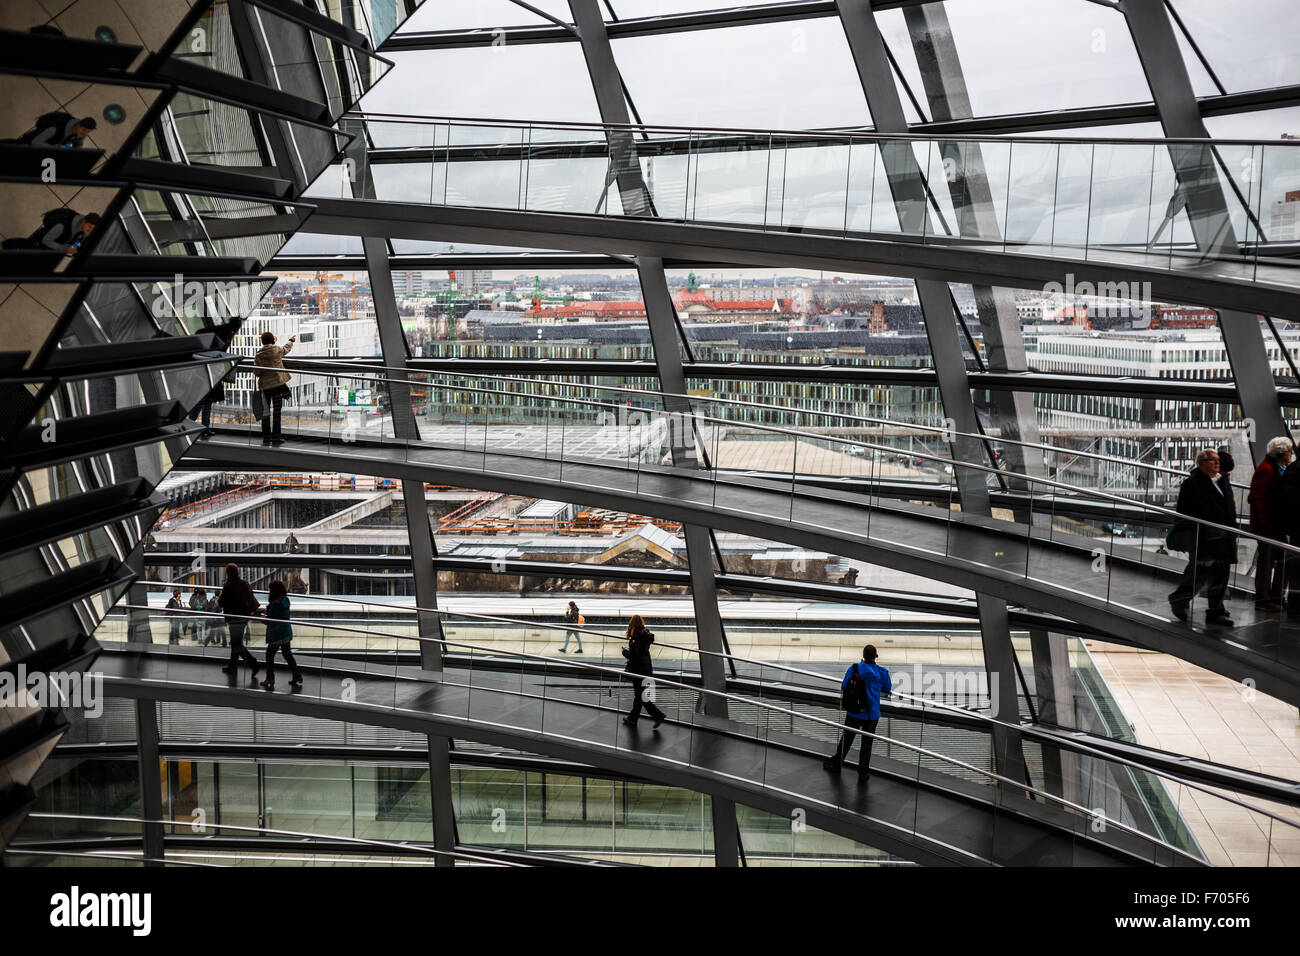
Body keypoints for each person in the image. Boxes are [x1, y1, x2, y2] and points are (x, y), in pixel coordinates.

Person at [1168, 448, 1238, 626]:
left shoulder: (1221, 481)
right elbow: (1185, 512)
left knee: (1220, 574)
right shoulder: (1193, 484)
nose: (1217, 462)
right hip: (1206, 538)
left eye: (1217, 460)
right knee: (1200, 573)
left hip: (1223, 537)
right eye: (1212, 460)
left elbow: (1228, 507)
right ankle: (1181, 598)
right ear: (1201, 463)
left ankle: (1215, 611)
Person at [823, 645, 891, 780]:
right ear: (875, 656)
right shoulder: (883, 673)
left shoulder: (855, 668)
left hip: (854, 712)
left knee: (847, 740)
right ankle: (863, 773)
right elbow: (887, 689)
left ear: (864, 656)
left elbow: (844, 686)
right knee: (866, 744)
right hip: (872, 715)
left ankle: (837, 764)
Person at [1248, 436, 1294, 611]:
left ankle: (1276, 597)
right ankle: (1264, 599)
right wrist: (1264, 521)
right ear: (1281, 452)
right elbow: (1256, 497)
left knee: (1282, 560)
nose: (1291, 454)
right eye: (1289, 451)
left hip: (1276, 525)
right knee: (1267, 562)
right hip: (1268, 526)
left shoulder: (1278, 468)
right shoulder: (1266, 470)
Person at [621, 614, 665, 728]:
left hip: (638, 671)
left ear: (632, 624)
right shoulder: (644, 635)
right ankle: (633, 718)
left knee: (640, 696)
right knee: (639, 696)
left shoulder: (636, 637)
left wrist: (624, 652)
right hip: (646, 669)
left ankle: (658, 715)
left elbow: (634, 657)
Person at [217, 563, 260, 676]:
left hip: (233, 619)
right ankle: (233, 666)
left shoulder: (228, 585)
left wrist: (220, 598)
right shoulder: (244, 583)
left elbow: (221, 603)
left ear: (228, 573)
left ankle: (253, 663)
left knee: (236, 644)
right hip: (243, 618)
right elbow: (251, 598)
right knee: (236, 642)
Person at [253, 330, 295, 446]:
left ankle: (266, 437)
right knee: (277, 412)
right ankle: (276, 436)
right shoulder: (276, 350)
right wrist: (291, 340)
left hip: (265, 387)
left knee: (265, 413)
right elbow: (286, 348)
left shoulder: (259, 355)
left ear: (262, 341)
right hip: (277, 386)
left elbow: (257, 373)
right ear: (272, 340)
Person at [259, 580, 303, 689]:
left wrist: (260, 618)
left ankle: (270, 679)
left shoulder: (274, 604)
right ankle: (297, 675)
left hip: (276, 635)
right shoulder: (285, 600)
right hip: (286, 633)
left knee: (269, 656)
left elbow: (271, 621)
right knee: (287, 654)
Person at [2, 209, 100, 254]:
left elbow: (78, 241)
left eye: (93, 228)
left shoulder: (83, 230)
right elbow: (46, 241)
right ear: (84, 221)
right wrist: (65, 249)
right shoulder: (62, 226)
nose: (90, 230)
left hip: (52, 247)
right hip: (39, 242)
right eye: (89, 226)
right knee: (25, 245)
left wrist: (74, 247)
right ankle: (4, 245)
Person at [9, 112, 97, 148]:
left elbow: (78, 145)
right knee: (12, 146)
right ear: (78, 125)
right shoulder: (56, 128)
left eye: (88, 131)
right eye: (84, 129)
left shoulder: (81, 134)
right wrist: (55, 149)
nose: (84, 133)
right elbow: (35, 142)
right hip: (28, 142)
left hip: (43, 149)